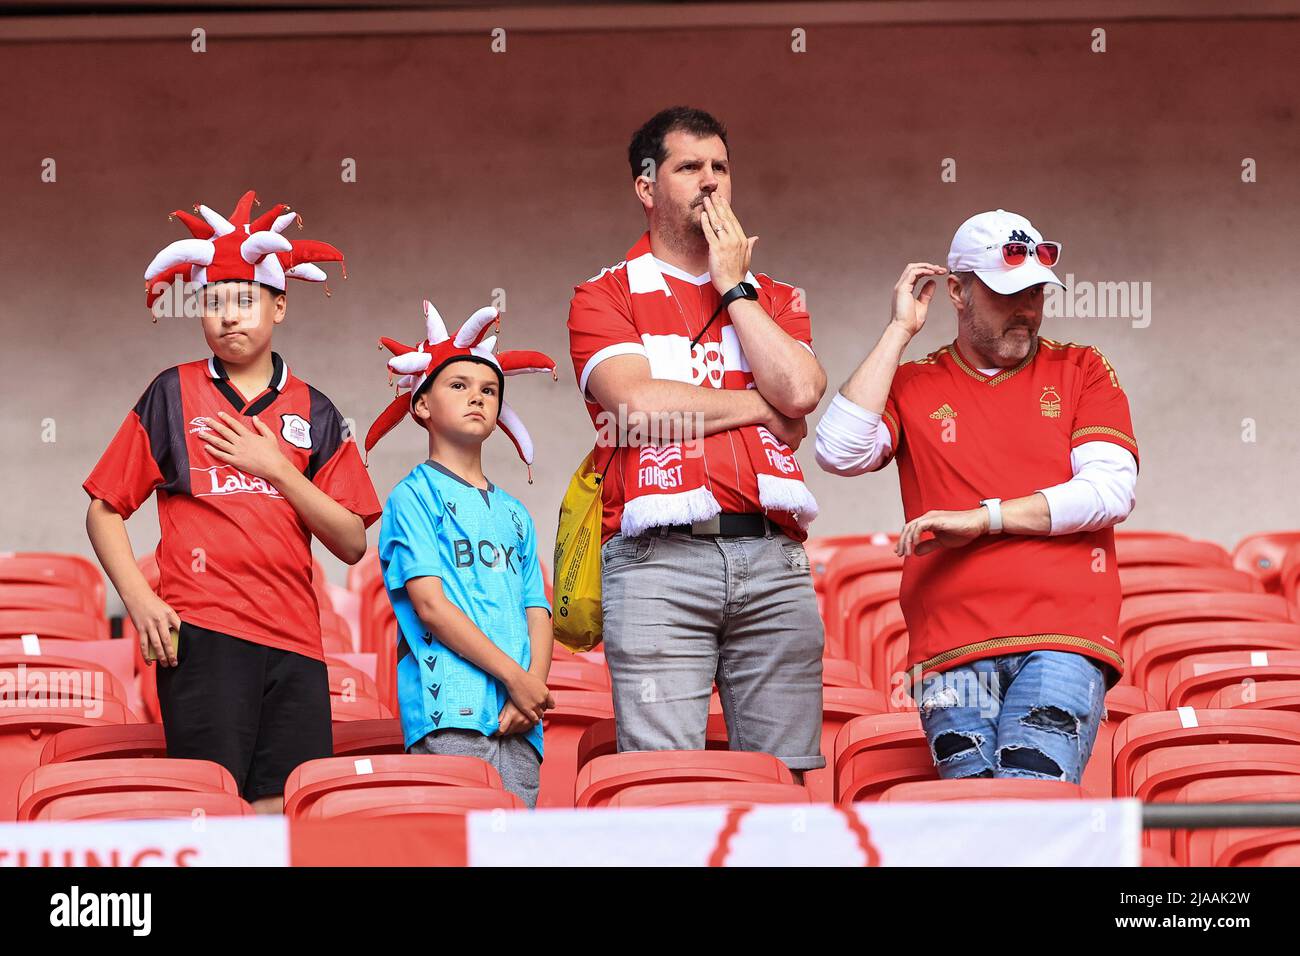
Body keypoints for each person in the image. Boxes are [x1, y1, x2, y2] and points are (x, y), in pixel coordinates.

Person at [815, 209, 1139, 783]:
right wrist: (897, 332)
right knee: (973, 821)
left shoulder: (1082, 369)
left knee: (1032, 803)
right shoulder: (914, 381)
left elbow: (1110, 490)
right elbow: (838, 451)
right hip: (951, 650)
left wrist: (985, 520)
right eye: (1006, 293)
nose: (1027, 309)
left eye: (1037, 293)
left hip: (1063, 637)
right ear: (957, 293)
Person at [85, 189, 380, 812]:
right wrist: (140, 602)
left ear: (280, 305)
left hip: (297, 642)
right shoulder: (170, 394)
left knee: (286, 814)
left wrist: (276, 469)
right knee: (213, 809)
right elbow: (104, 509)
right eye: (212, 302)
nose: (228, 315)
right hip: (204, 636)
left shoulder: (317, 410)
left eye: (244, 300)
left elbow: (352, 542)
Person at [567, 106, 828, 775]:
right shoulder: (604, 294)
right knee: (665, 781)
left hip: (773, 561)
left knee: (786, 778)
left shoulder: (770, 294)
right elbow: (638, 406)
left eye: (721, 168)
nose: (710, 182)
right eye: (690, 167)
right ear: (647, 187)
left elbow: (799, 394)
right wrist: (757, 407)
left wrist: (735, 286)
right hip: (659, 561)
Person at [369, 299, 557, 807]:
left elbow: (537, 610)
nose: (477, 397)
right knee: (454, 843)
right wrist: (517, 679)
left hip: (520, 720)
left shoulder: (516, 513)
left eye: (489, 390)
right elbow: (430, 606)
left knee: (517, 848)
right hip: (449, 710)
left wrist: (532, 691)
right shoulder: (412, 497)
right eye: (459, 385)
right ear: (422, 406)